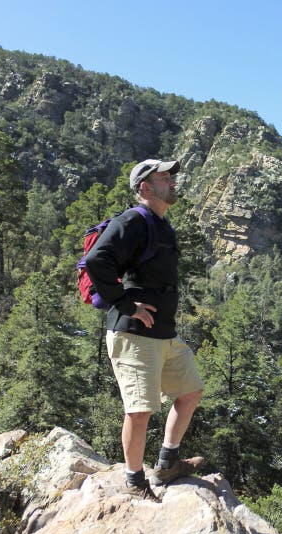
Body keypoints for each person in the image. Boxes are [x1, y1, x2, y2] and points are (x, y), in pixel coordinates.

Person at [85, 159, 204, 501]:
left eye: (171, 176)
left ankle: (167, 463)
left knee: (190, 391)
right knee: (139, 411)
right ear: (145, 187)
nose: (172, 182)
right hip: (134, 335)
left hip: (164, 334)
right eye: (165, 177)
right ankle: (135, 482)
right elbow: (97, 261)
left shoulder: (162, 224)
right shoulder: (133, 220)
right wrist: (125, 304)